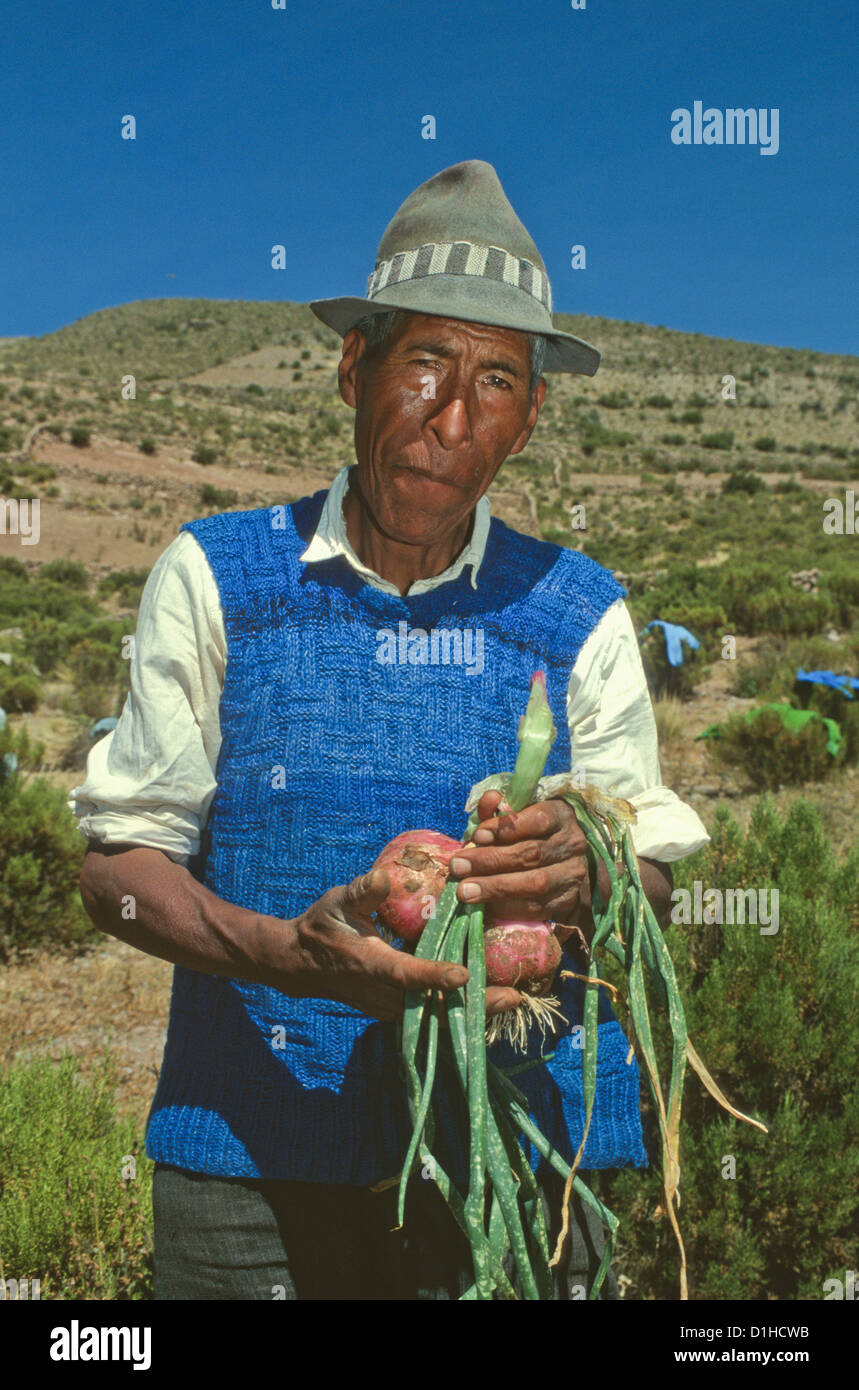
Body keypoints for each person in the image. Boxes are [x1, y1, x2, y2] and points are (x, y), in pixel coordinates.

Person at [73, 159, 709, 1301]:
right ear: (354, 366)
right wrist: (286, 957)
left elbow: (652, 878)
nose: (452, 418)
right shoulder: (217, 576)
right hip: (251, 1178)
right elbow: (115, 867)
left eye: (497, 380)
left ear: (530, 419)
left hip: (523, 1166)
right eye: (424, 361)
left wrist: (593, 871)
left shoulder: (582, 609)